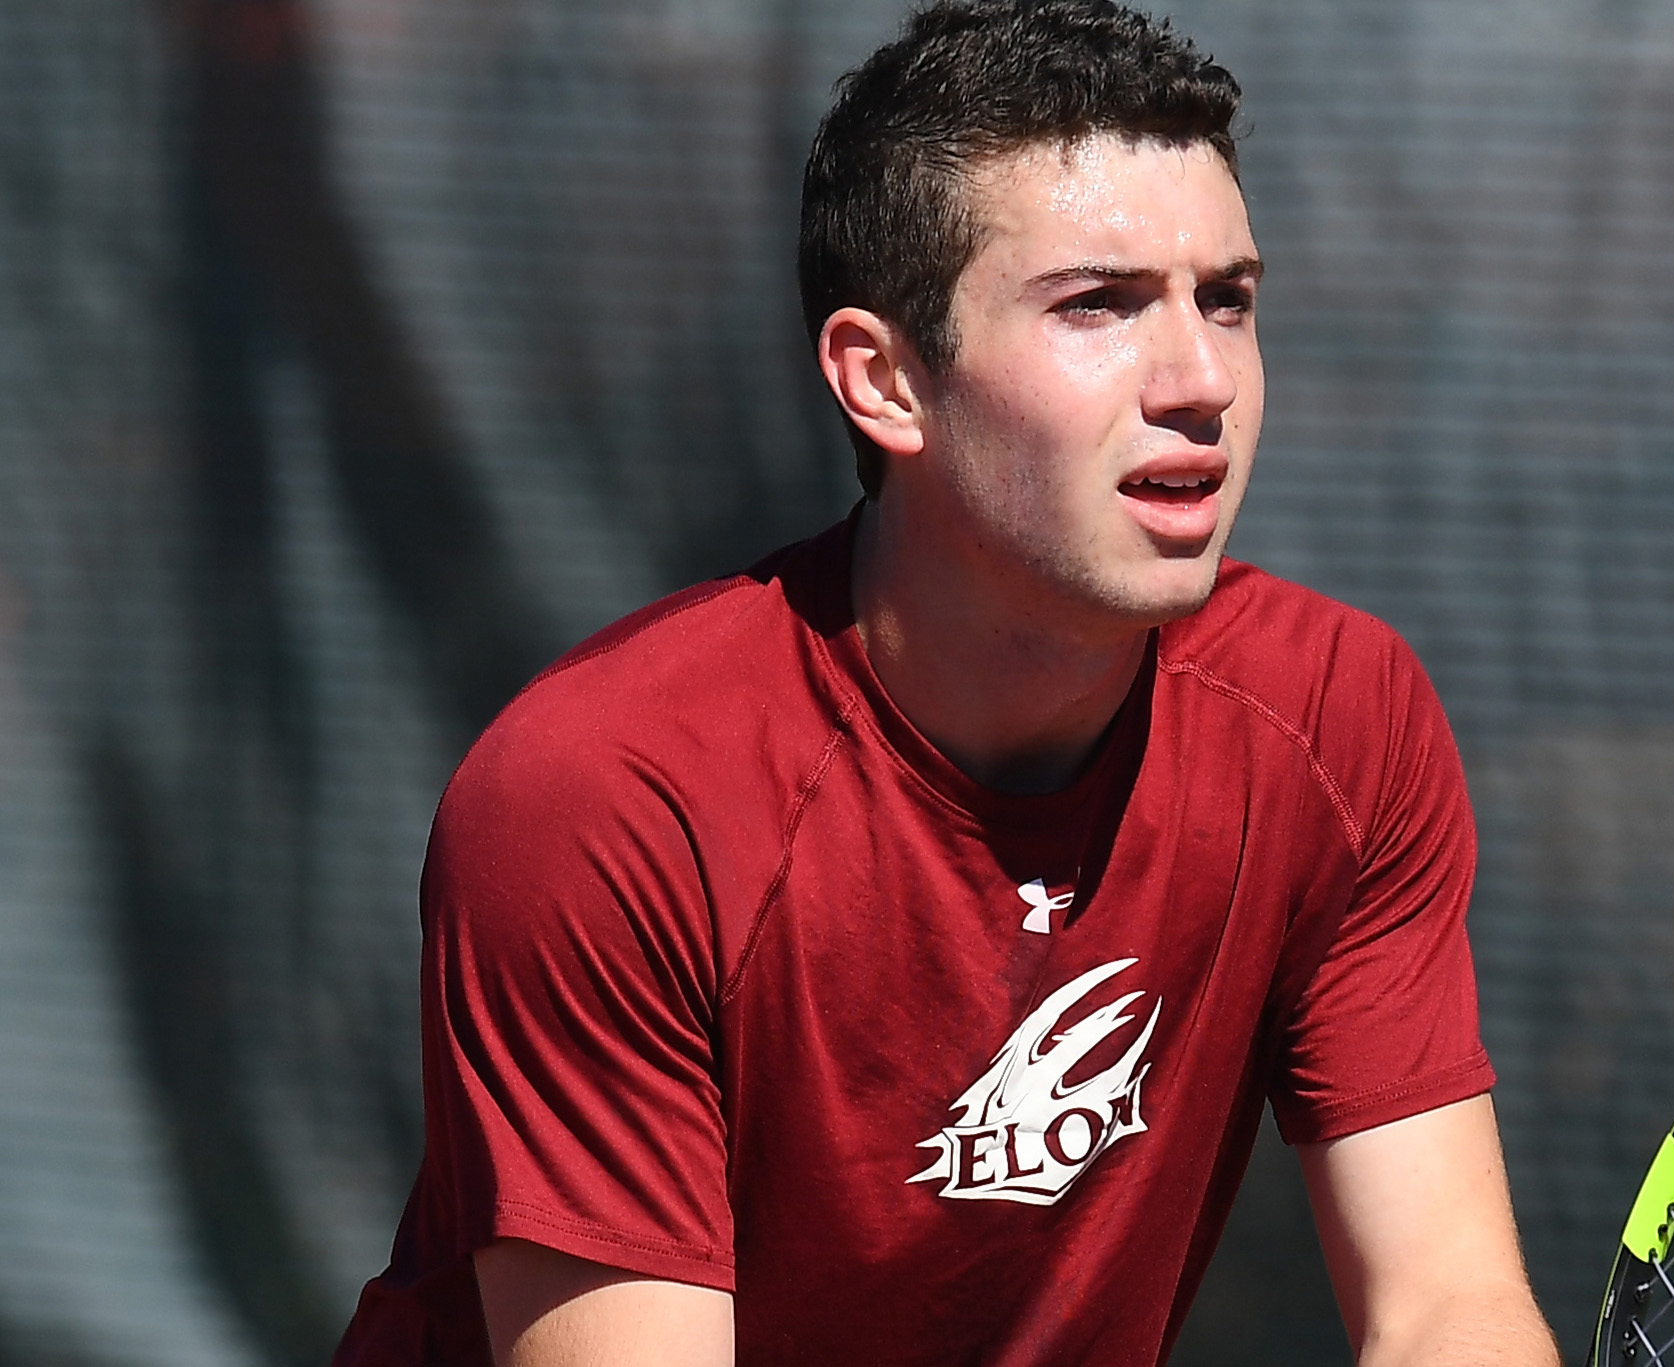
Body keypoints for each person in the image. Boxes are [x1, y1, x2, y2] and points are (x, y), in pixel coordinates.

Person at [331, 2, 1558, 1363]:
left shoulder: (1337, 715)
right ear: (885, 382)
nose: (1202, 378)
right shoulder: (602, 798)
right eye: (1097, 304)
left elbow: (1448, 1308)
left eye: (1228, 299)